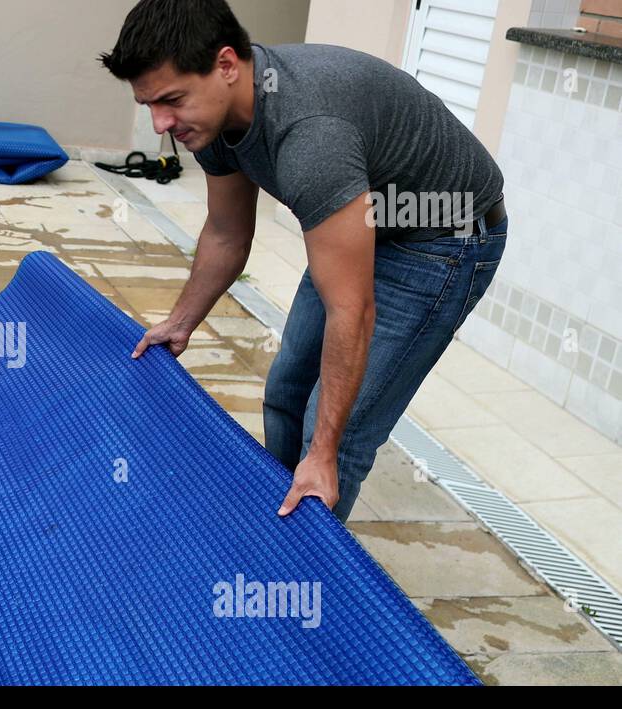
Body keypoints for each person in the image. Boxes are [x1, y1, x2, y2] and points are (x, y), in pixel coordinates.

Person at [101, 0, 507, 522]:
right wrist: (179, 324)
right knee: (289, 386)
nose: (161, 122)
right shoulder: (214, 118)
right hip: (370, 214)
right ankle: (279, 525)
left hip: (442, 238)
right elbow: (226, 233)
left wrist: (322, 454)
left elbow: (352, 310)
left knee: (335, 434)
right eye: (149, 104)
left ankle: (304, 574)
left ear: (226, 66)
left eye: (172, 100)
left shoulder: (311, 136)